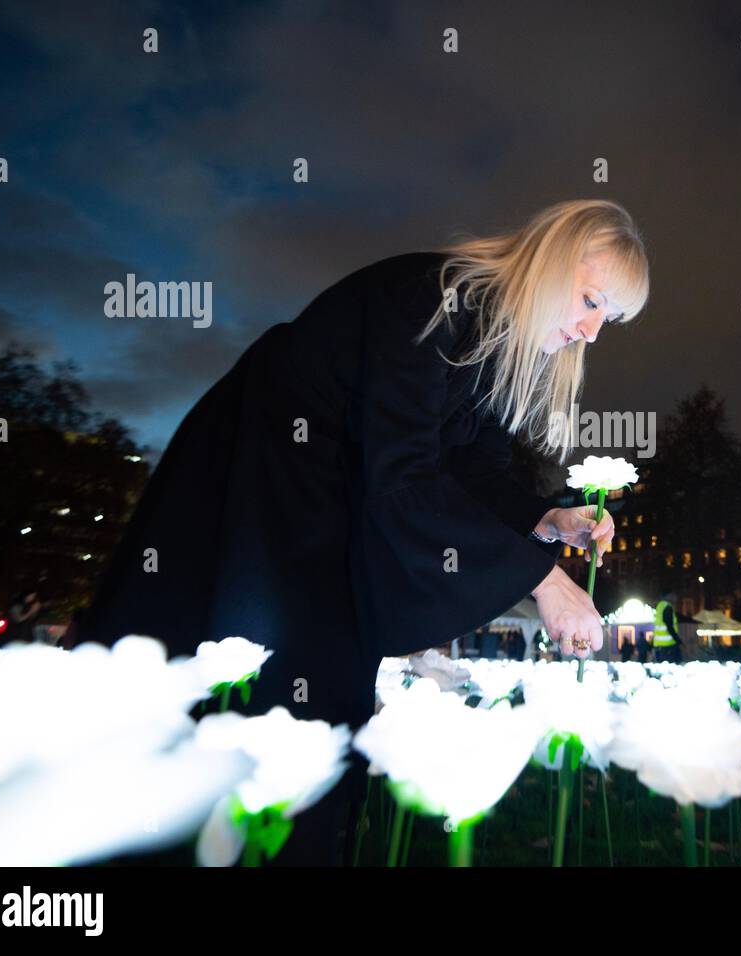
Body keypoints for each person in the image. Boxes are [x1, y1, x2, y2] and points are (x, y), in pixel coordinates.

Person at [72, 199, 647, 863]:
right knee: (246, 674)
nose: (593, 330)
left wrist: (546, 518)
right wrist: (540, 579)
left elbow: (472, 475)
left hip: (338, 508)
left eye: (611, 316)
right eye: (591, 298)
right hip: (258, 482)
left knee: (327, 693)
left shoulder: (499, 355)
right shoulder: (430, 299)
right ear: (551, 258)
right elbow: (403, 475)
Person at [651, 591, 682, 664]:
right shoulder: (668, 607)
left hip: (659, 646)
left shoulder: (660, 606)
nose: (675, 598)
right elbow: (669, 626)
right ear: (669, 596)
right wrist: (679, 641)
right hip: (669, 646)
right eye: (674, 595)